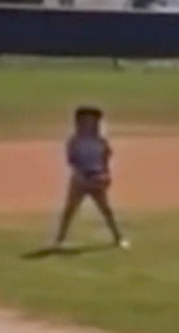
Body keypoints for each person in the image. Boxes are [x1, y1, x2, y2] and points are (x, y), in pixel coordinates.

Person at [46, 105, 129, 251]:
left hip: (97, 177)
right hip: (80, 179)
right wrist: (80, 175)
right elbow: (71, 160)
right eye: (85, 121)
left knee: (106, 210)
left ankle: (118, 238)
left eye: (92, 121)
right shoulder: (75, 141)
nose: (88, 124)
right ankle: (59, 240)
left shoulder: (101, 141)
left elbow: (105, 158)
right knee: (70, 210)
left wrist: (106, 174)